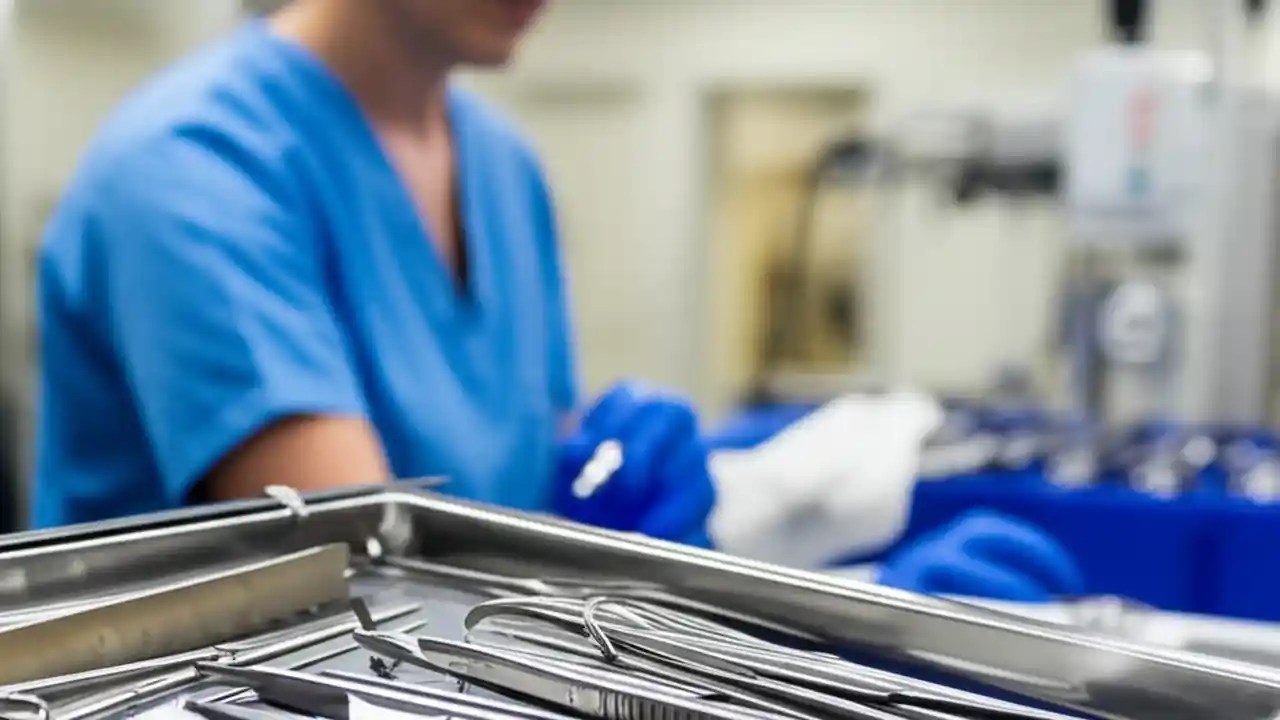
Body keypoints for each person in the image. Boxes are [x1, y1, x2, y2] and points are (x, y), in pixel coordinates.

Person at [34, 0, 1080, 601]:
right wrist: (849, 631)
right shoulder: (193, 169)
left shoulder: (499, 165)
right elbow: (373, 591)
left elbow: (524, 475)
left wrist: (613, 498)